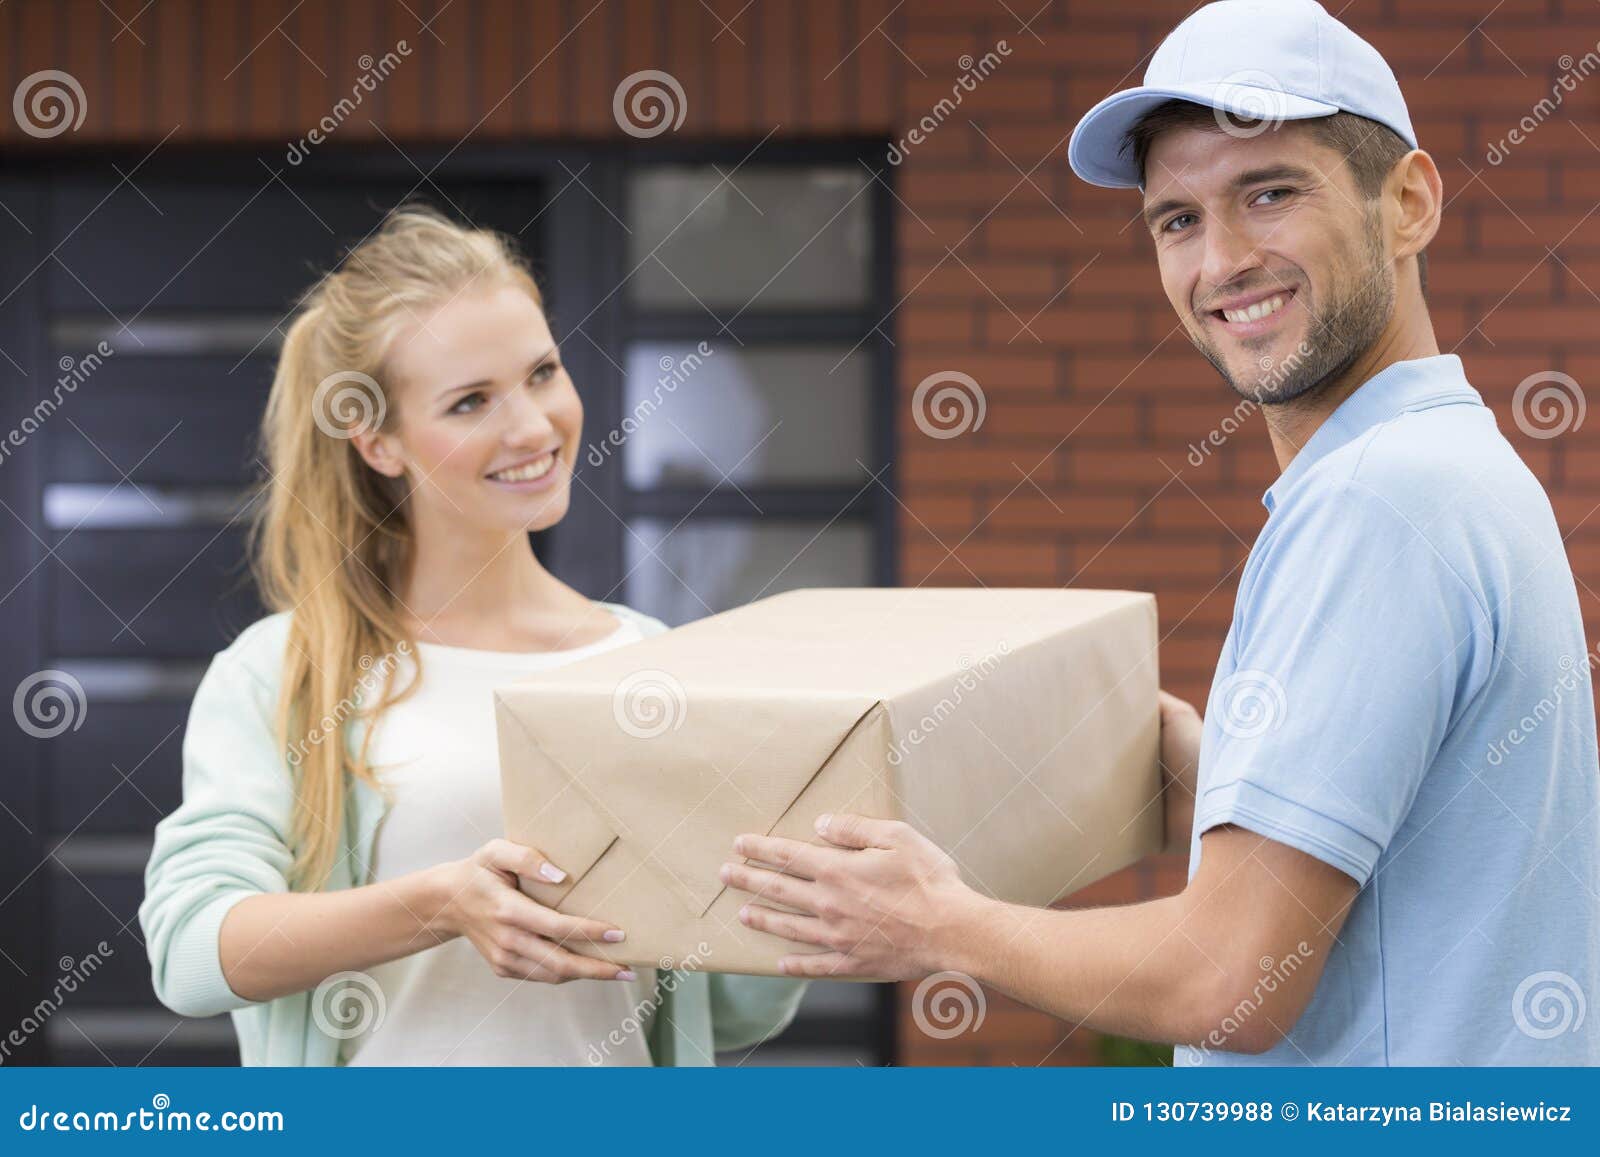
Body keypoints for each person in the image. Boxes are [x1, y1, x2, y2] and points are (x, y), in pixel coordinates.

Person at [721, 0, 1599, 1065]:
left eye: (1269, 193)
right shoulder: (1453, 463)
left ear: (1406, 203)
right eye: (1177, 219)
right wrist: (1214, 770)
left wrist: (938, 921)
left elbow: (1226, 980)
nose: (1220, 261)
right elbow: (1412, 854)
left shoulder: (1375, 501)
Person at [139, 204, 805, 1066]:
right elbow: (192, 952)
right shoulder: (287, 671)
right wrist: (441, 905)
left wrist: (786, 879)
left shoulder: (654, 659)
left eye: (542, 372)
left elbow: (723, 1005)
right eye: (470, 401)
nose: (532, 426)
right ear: (379, 443)